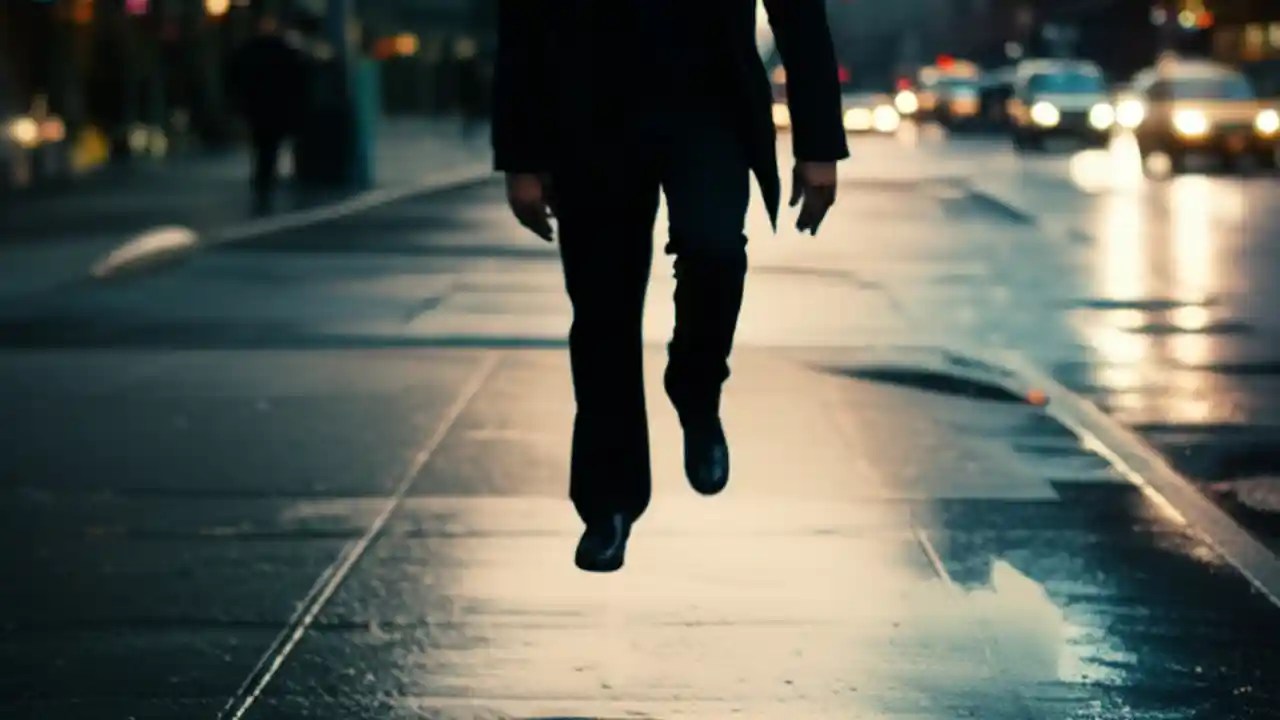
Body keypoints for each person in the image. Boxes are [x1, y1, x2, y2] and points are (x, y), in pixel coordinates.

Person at [493, 0, 847, 572]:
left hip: (711, 104)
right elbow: (526, 17)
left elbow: (799, 12)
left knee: (716, 253)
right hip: (590, 112)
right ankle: (608, 503)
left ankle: (696, 388)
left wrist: (819, 144)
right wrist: (521, 156)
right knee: (603, 312)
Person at [229, 15, 306, 213]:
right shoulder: (282, 50)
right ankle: (265, 178)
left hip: (261, 107)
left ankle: (263, 178)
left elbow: (237, 77)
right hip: (273, 107)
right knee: (268, 146)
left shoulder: (250, 50)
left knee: (262, 145)